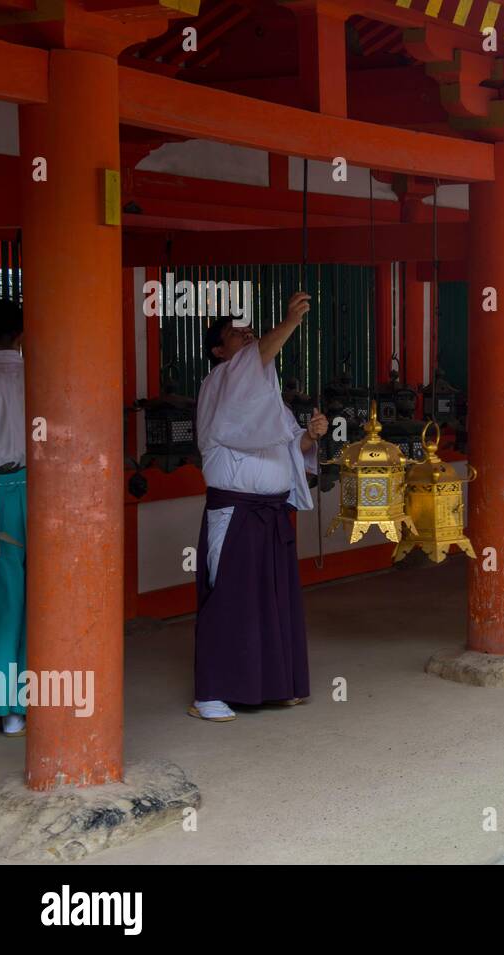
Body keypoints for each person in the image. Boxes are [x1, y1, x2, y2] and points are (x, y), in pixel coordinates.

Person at [190, 291, 327, 722]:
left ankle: (272, 685)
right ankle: (211, 691)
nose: (247, 337)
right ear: (217, 352)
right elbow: (254, 361)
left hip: (271, 513)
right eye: (236, 334)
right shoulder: (220, 384)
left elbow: (289, 448)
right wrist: (288, 323)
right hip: (236, 514)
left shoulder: (264, 398)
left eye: (250, 331)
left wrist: (309, 437)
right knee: (230, 602)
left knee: (270, 604)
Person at [0, 300, 25, 736]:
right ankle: (14, 707)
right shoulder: (37, 376)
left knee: (5, 592)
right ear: (21, 334)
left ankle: (3, 703)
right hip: (29, 489)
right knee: (24, 592)